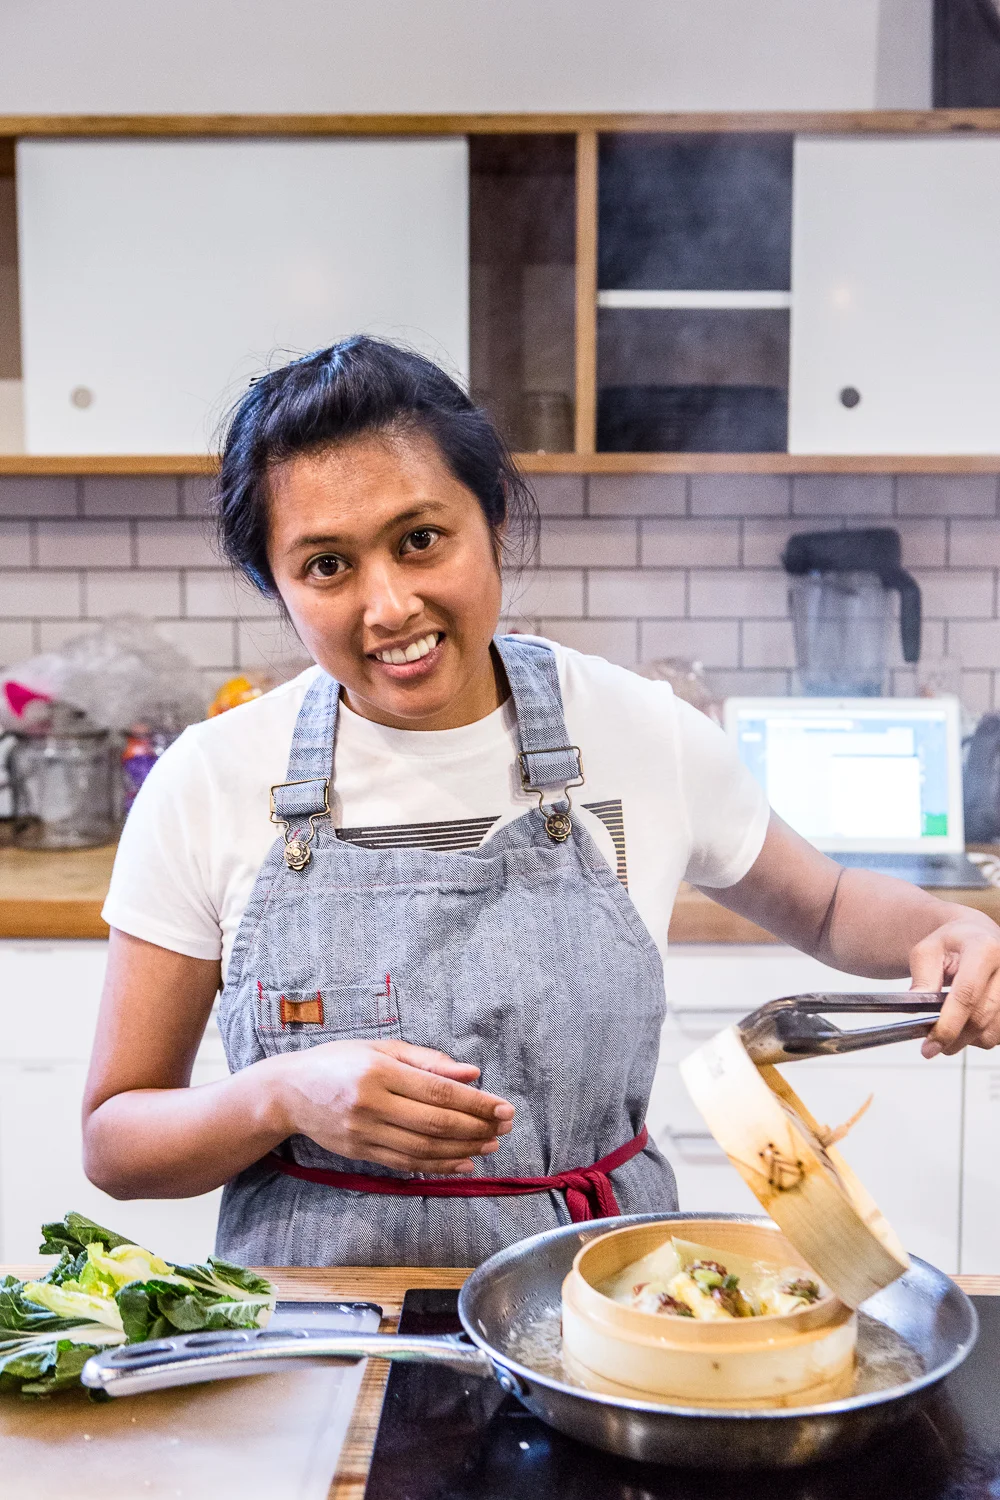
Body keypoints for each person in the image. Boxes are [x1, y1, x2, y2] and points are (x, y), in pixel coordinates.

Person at [83, 337, 1000, 1268]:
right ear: (276, 586)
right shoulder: (210, 779)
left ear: (495, 520)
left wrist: (947, 929)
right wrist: (275, 1097)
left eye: (420, 540)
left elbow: (831, 904)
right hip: (321, 1337)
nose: (390, 605)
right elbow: (116, 1141)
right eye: (327, 566)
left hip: (605, 1309)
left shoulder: (638, 730)